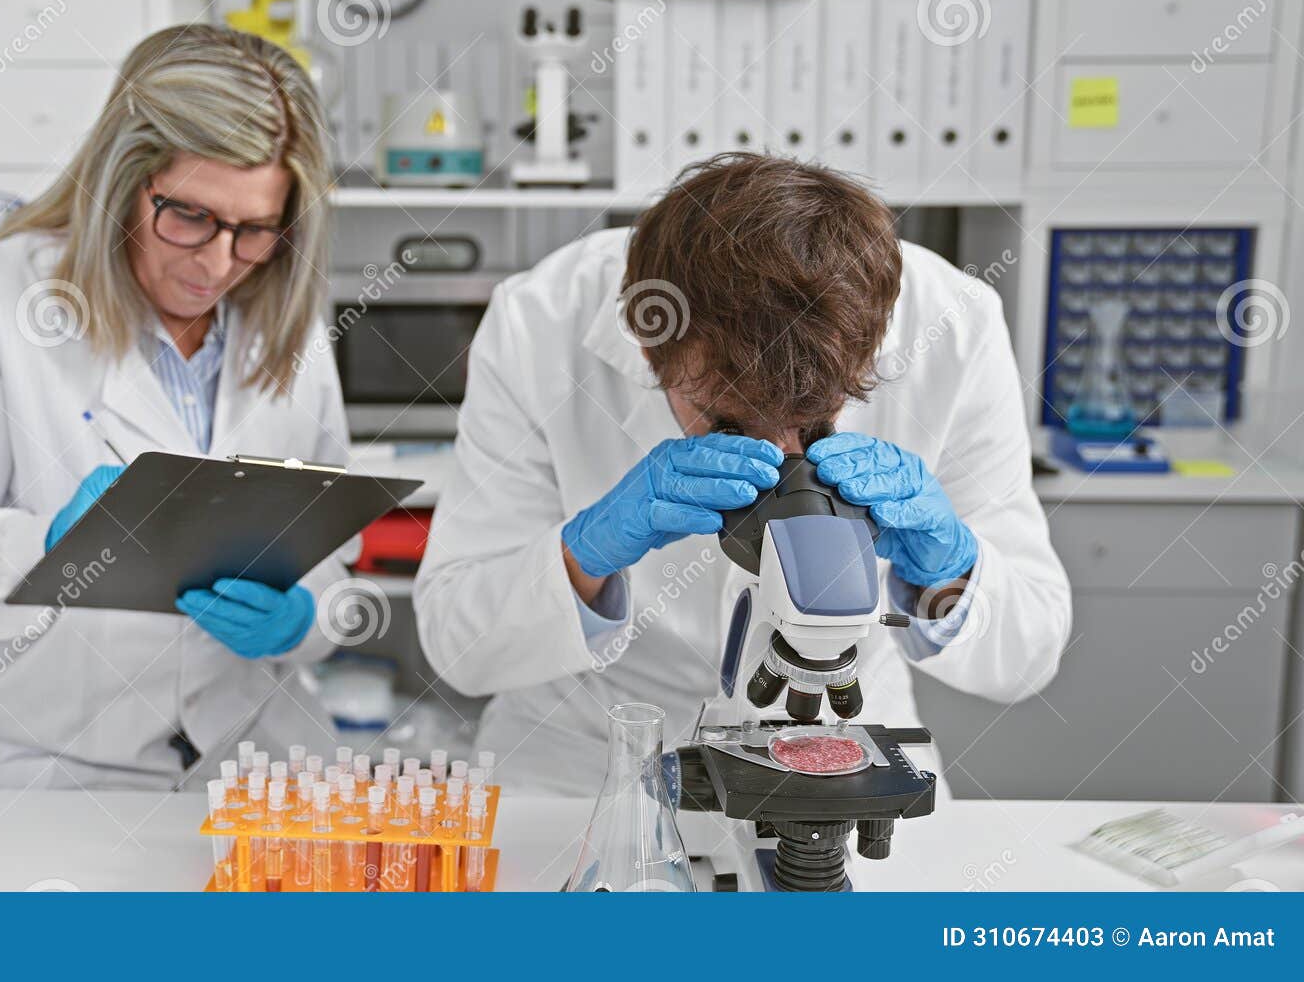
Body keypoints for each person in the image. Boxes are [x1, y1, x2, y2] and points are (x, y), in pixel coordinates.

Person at [414, 154, 1072, 794]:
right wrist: (582, 556)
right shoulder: (540, 318)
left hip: (843, 739)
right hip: (584, 756)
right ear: (650, 347)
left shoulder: (955, 324)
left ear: (868, 355)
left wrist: (950, 571)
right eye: (730, 421)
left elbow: (1026, 657)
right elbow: (459, 646)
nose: (778, 459)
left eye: (813, 422)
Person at [0, 26, 349, 788]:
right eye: (191, 216)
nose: (216, 263)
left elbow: (331, 538)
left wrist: (302, 618)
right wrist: (46, 547)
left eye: (257, 229)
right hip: (35, 768)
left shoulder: (285, 320)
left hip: (251, 762)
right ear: (119, 179)